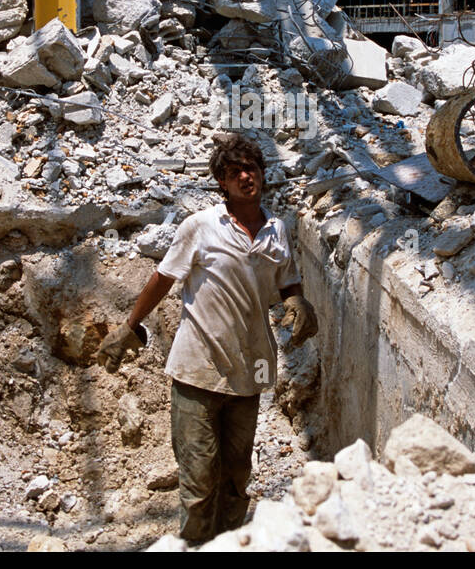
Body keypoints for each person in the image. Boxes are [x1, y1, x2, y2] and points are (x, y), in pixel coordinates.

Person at [97, 132, 316, 544]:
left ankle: (228, 543)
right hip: (197, 368)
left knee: (235, 479)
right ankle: (196, 543)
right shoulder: (201, 226)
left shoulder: (277, 230)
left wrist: (298, 302)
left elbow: (289, 282)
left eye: (251, 169)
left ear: (263, 174)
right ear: (222, 182)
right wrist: (130, 326)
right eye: (235, 173)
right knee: (198, 483)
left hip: (250, 370)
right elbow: (163, 278)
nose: (245, 177)